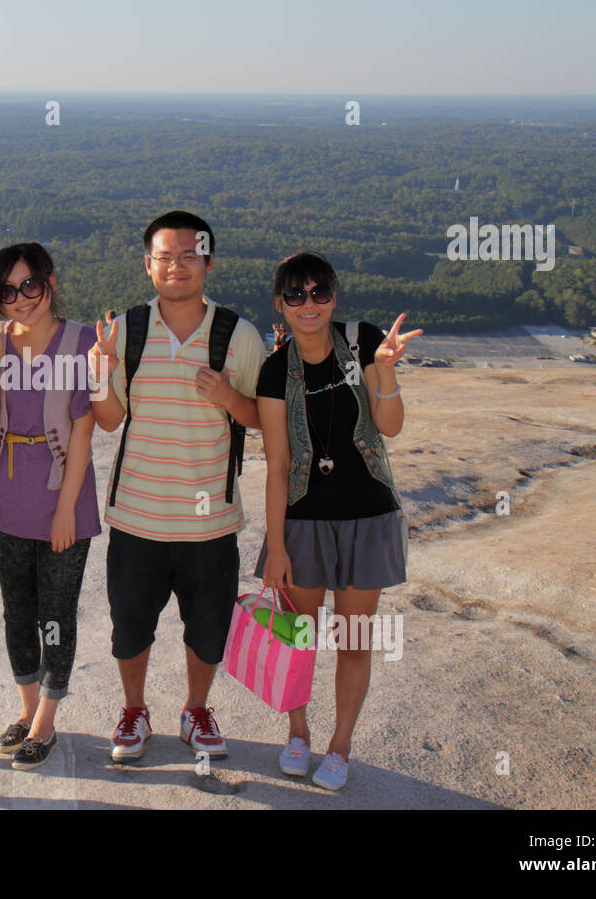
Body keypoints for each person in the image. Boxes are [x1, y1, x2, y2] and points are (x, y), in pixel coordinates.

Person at [87, 210, 264, 764]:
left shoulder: (239, 335)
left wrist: (229, 400)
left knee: (207, 629)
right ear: (147, 265)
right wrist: (98, 373)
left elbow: (262, 417)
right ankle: (134, 709)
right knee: (130, 626)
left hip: (210, 524)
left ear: (209, 262)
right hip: (137, 517)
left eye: (190, 255)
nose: (177, 266)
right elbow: (111, 419)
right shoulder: (124, 330)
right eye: (165, 256)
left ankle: (196, 709)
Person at [255, 250, 421, 791]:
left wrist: (387, 373)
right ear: (280, 304)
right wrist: (275, 546)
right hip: (304, 520)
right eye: (296, 295)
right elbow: (277, 465)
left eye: (320, 292)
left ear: (334, 296)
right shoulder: (276, 369)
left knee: (353, 640)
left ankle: (340, 746)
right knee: (299, 636)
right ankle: (297, 733)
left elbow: (390, 427)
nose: (310, 304)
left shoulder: (363, 341)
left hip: (366, 515)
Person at [0, 243, 100, 770]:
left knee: (55, 616)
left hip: (61, 501)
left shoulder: (80, 341)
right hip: (5, 499)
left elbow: (85, 430)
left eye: (30, 285)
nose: (20, 299)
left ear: (50, 281)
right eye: (7, 290)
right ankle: (26, 709)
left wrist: (66, 508)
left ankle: (46, 720)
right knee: (17, 612)